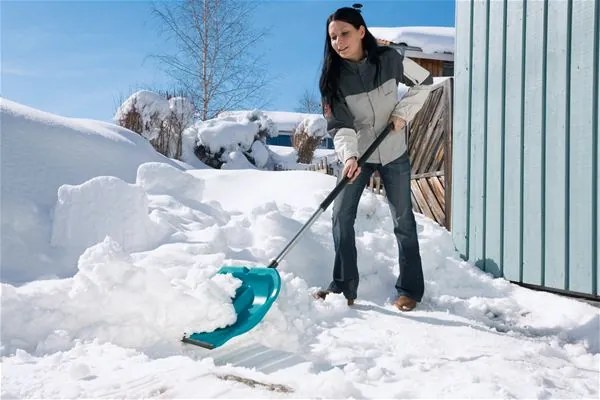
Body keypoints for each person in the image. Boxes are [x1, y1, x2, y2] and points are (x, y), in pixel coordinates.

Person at [315, 6, 430, 311]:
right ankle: (342, 287)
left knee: (403, 221)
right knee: (341, 217)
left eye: (345, 34)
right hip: (359, 153)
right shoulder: (332, 81)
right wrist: (350, 157)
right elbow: (340, 127)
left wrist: (402, 114)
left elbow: (426, 81)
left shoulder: (390, 58)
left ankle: (410, 290)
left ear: (361, 32)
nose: (338, 42)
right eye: (333, 37)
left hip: (394, 150)